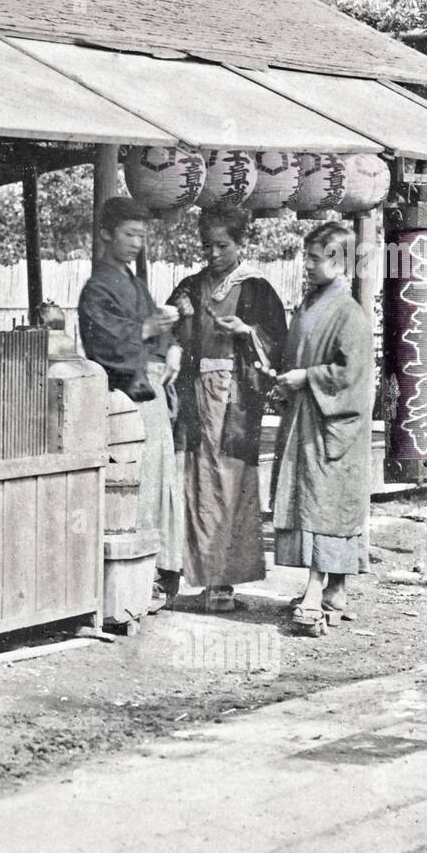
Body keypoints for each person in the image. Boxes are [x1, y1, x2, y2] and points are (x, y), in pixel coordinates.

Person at [168, 205, 287, 612]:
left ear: (241, 244)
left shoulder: (257, 290)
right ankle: (198, 575)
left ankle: (225, 581)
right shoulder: (190, 285)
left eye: (222, 246)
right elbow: (172, 333)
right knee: (197, 481)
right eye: (207, 246)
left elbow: (277, 343)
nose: (214, 254)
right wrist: (177, 324)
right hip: (195, 392)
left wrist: (247, 332)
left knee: (232, 481)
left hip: (236, 396)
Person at [78, 196, 184, 604]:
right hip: (126, 398)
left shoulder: (132, 282)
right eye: (129, 234)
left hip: (152, 389)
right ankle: (139, 578)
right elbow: (102, 343)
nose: (138, 242)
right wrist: (145, 329)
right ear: (106, 234)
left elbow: (160, 327)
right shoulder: (97, 287)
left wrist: (171, 345)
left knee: (159, 480)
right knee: (137, 486)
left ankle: (160, 568)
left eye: (142, 235)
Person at [271, 222, 373, 636]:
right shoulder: (310, 305)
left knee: (326, 506)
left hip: (335, 424)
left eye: (316, 258)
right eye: (307, 257)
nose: (307, 266)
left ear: (339, 262)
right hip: (308, 418)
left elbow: (351, 375)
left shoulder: (350, 314)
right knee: (316, 501)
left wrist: (306, 378)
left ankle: (316, 590)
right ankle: (335, 591)